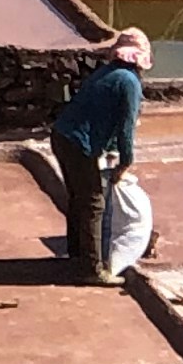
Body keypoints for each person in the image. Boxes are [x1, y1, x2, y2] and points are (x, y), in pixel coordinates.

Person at [52, 29, 150, 280]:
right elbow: (126, 129)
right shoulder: (128, 82)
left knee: (79, 198)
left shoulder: (107, 73)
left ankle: (76, 254)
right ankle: (93, 269)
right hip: (78, 144)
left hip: (62, 137)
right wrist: (125, 163)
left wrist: (112, 152)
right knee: (94, 203)